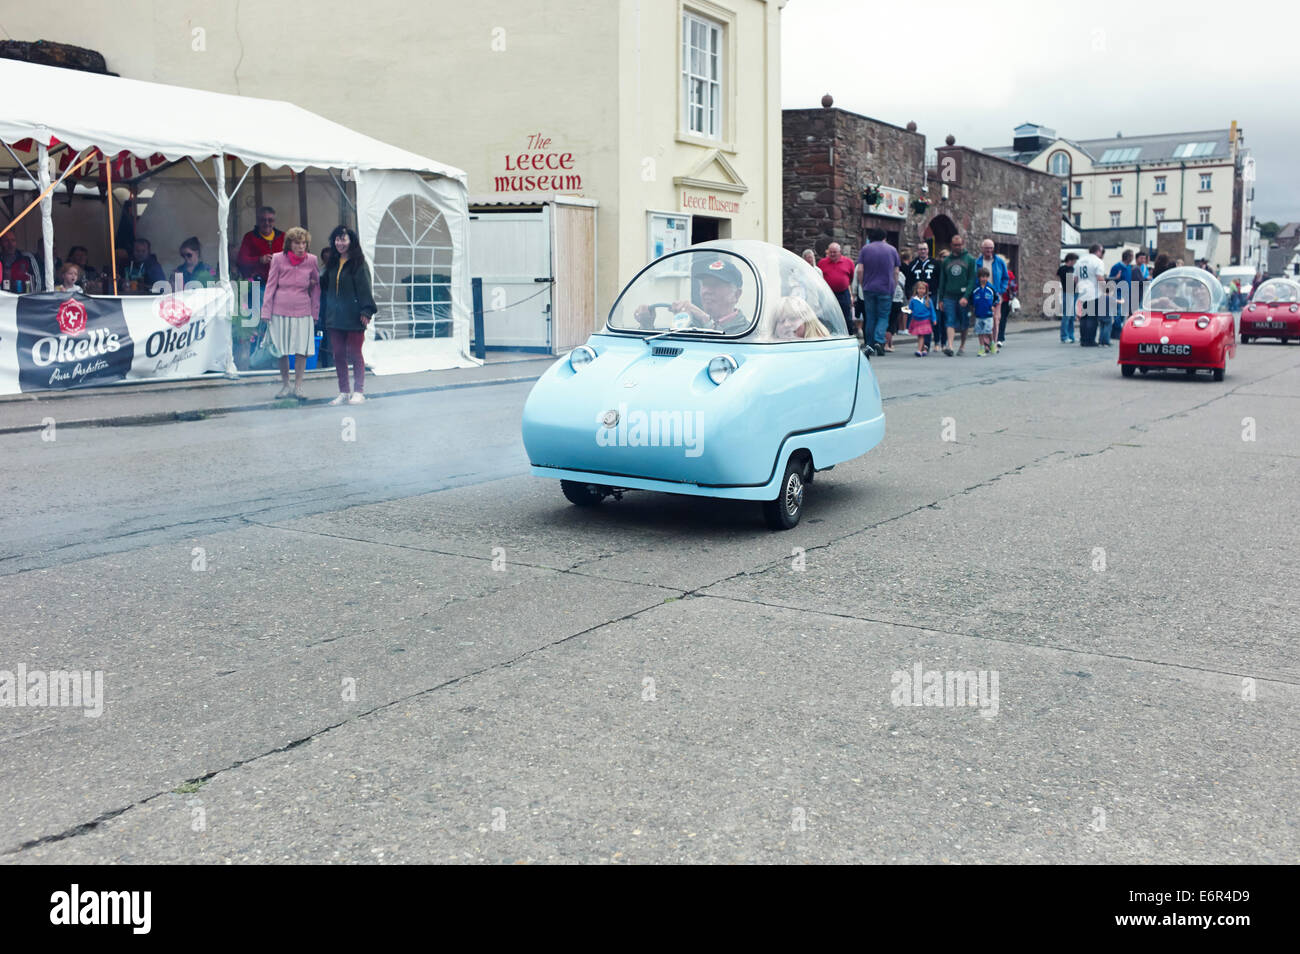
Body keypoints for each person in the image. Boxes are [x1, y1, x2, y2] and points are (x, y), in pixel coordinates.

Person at [262, 226, 320, 401]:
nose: (301, 247)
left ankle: (298, 386)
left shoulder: (312, 260)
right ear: (289, 244)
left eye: (304, 243)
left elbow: (316, 288)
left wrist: (315, 312)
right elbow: (270, 285)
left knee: (302, 349)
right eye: (297, 243)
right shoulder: (278, 259)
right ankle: (286, 385)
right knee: (282, 350)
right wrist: (266, 311)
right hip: (280, 308)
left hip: (303, 308)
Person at [320, 225, 377, 405]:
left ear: (351, 241)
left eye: (343, 239)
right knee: (338, 354)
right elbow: (325, 286)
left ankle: (358, 391)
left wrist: (366, 310)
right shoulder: (332, 263)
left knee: (355, 354)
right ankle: (344, 391)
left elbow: (365, 287)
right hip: (335, 317)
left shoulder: (358, 263)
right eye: (337, 239)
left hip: (353, 316)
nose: (340, 243)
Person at [854, 228, 900, 355]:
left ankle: (869, 343)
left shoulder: (865, 249)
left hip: (869, 287)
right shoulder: (892, 250)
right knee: (883, 316)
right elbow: (896, 271)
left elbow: (860, 269)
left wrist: (863, 284)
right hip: (886, 288)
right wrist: (893, 285)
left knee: (870, 317)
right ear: (884, 237)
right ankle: (879, 341)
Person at [936, 234, 976, 356]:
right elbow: (942, 280)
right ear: (951, 245)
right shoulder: (946, 261)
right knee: (950, 320)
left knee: (964, 322)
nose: (957, 247)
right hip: (949, 295)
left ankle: (962, 345)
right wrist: (941, 299)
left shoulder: (969, 260)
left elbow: (971, 280)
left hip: (963, 296)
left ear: (962, 244)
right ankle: (950, 345)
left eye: (959, 245)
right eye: (955, 245)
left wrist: (966, 296)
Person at [972, 238, 1008, 349]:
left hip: (995, 295)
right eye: (987, 248)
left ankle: (994, 342)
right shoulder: (977, 262)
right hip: (982, 295)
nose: (989, 250)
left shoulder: (999, 261)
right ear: (982, 248)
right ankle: (986, 344)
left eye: (991, 248)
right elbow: (973, 278)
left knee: (995, 320)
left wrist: (1001, 290)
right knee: (983, 319)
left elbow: (1005, 278)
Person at [816, 242, 855, 333]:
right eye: (831, 252)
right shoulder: (822, 263)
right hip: (828, 295)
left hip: (843, 293)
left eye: (835, 252)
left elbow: (851, 277)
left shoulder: (848, 262)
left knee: (846, 316)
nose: (832, 254)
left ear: (840, 252)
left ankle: (848, 335)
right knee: (828, 316)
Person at [1075, 244, 1106, 346]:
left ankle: (1083, 339)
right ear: (1098, 251)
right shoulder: (1098, 261)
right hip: (1093, 293)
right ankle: (1090, 340)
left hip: (1082, 292)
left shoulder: (1079, 261)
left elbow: (1075, 279)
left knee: (1084, 318)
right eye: (1101, 252)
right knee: (1092, 318)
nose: (1101, 254)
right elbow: (1099, 277)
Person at [970, 267, 998, 356]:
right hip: (978, 314)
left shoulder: (990, 288)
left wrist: (993, 306)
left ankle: (992, 343)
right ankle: (981, 347)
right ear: (979, 277)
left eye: (986, 277)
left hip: (988, 314)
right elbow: (971, 300)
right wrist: (973, 307)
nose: (984, 279)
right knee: (980, 332)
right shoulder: (975, 289)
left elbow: (996, 299)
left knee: (988, 330)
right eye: (982, 277)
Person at [1107, 249, 1134, 341]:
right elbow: (1110, 280)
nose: (1133, 258)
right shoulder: (1116, 267)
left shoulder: (1129, 267)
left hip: (1126, 293)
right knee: (1117, 314)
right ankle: (1115, 332)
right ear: (1127, 257)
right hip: (1118, 293)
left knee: (1123, 314)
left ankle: (1118, 331)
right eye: (1131, 256)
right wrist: (1116, 278)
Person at [906, 280, 935, 356]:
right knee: (920, 335)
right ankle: (924, 348)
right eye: (919, 288)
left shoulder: (928, 300)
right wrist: (907, 310)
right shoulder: (913, 299)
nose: (921, 290)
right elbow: (910, 309)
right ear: (916, 289)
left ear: (926, 290)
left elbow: (932, 310)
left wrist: (934, 319)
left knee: (922, 335)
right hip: (916, 319)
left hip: (925, 319)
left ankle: (919, 350)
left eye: (923, 289)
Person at [1058, 253, 1078, 343]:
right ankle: (1064, 336)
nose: (1075, 262)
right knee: (1067, 315)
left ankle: (1071, 335)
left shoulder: (1073, 269)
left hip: (1074, 292)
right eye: (1074, 260)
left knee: (1072, 315)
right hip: (1067, 292)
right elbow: (1068, 281)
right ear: (1070, 260)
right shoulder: (1063, 269)